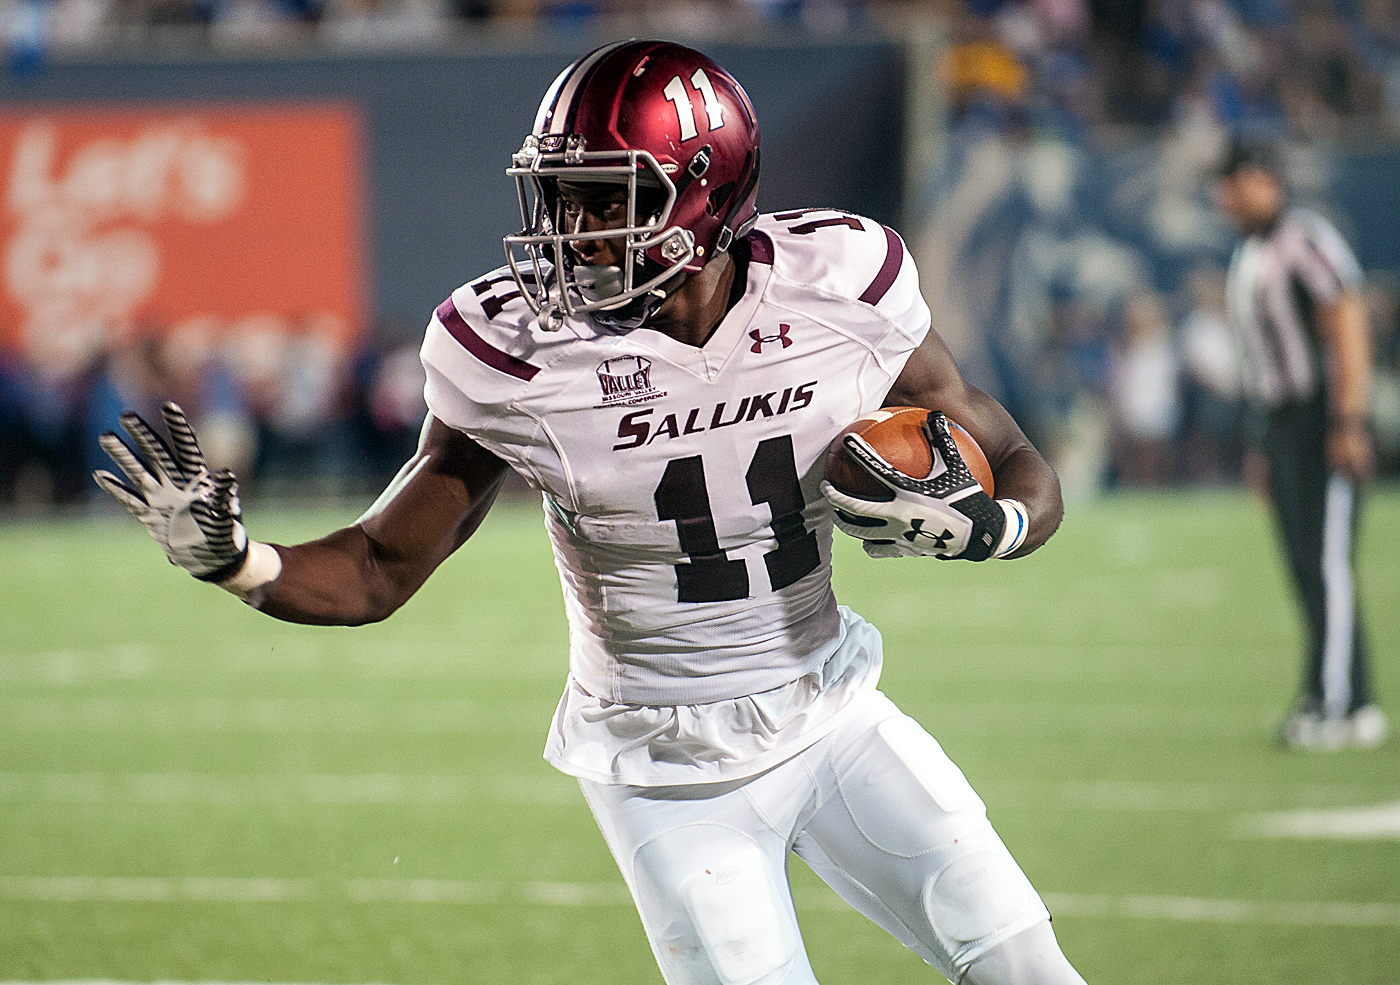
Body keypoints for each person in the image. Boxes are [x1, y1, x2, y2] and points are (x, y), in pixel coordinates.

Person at [94, 40, 1083, 985]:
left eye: (601, 200)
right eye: (556, 197)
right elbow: (377, 567)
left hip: (833, 711)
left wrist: (993, 526)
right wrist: (236, 560)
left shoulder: (837, 287)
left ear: (700, 192)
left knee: (1029, 966)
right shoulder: (519, 353)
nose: (566, 231)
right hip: (665, 770)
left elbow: (1001, 449)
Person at [1213, 139, 1387, 751]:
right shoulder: (1252, 252)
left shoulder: (1303, 239)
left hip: (1321, 420)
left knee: (1328, 565)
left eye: (1233, 181)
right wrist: (1263, 444)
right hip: (1283, 423)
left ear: (1265, 179)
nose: (1224, 196)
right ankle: (1350, 697)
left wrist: (1349, 420)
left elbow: (1347, 320)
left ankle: (1335, 703)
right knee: (1306, 567)